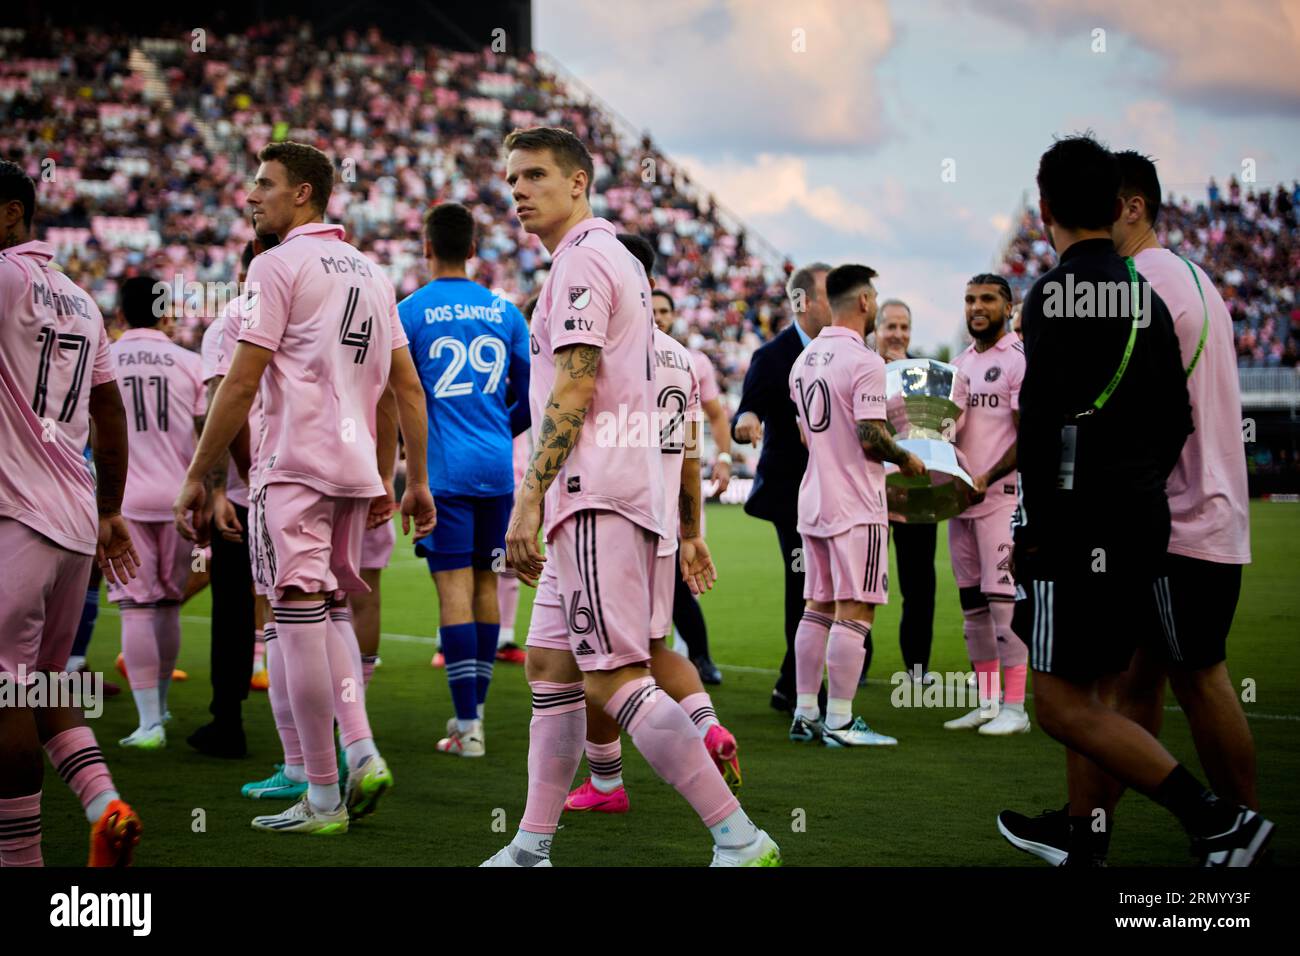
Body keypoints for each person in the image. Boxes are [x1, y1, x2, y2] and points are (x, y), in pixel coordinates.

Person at [484, 126, 777, 866]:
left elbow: (577, 382)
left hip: (594, 495)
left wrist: (529, 498)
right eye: (512, 177)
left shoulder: (582, 260)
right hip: (622, 493)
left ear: (579, 183)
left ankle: (738, 836)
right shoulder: (613, 259)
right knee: (551, 669)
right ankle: (530, 846)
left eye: (535, 175)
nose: (518, 189)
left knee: (615, 675)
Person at [1006, 133, 1270, 867]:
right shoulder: (1185, 280)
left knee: (1127, 687)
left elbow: (1050, 424)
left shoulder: (1120, 283)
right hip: (1179, 510)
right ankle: (1090, 833)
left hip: (1159, 521)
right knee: (1139, 680)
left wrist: (1041, 514)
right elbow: (1173, 413)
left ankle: (1230, 826)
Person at [175, 141, 436, 835]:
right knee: (332, 615)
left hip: (291, 466)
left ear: (303, 194)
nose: (251, 195)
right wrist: (411, 479)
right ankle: (359, 749)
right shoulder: (375, 274)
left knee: (292, 619)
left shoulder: (275, 264)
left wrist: (201, 475)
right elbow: (406, 388)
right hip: (354, 472)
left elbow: (240, 379)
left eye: (263, 183)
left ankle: (324, 795)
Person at [564, 233, 740, 813]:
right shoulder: (680, 358)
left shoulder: (611, 348)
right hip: (660, 523)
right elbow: (688, 453)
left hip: (607, 516)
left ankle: (609, 781)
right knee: (651, 648)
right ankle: (708, 727)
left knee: (598, 661)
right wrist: (691, 532)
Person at [0, 159, 143, 866]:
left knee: (3, 694)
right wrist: (108, 509)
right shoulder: (82, 301)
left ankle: (20, 861)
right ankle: (105, 806)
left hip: (13, 519)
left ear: (8, 214)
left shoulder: (3, 279)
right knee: (48, 683)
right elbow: (109, 410)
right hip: (73, 524)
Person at [397, 201, 530, 758]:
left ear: (427, 249)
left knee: (452, 590)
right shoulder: (506, 313)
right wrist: (502, 427)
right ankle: (475, 721)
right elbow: (530, 396)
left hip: (443, 474)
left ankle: (467, 725)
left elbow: (397, 397)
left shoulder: (407, 311)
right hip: (498, 469)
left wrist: (408, 462)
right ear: (474, 251)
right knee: (485, 586)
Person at [788, 263, 922, 746]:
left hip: (815, 499)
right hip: (856, 505)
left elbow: (808, 435)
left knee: (816, 606)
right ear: (865, 303)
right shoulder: (865, 362)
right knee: (857, 609)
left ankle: (805, 714)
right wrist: (906, 458)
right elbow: (869, 435)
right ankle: (841, 721)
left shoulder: (803, 361)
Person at [106, 275, 207, 749]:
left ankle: (149, 723)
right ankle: (160, 709)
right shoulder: (190, 362)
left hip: (121, 500)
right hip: (179, 498)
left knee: (134, 605)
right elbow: (210, 430)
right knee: (168, 602)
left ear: (121, 314)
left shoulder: (101, 359)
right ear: (165, 312)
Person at [191, 235, 279, 758]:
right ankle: (334, 737)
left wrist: (222, 487)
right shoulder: (320, 307)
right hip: (311, 482)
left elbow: (222, 407)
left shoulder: (232, 318)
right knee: (308, 608)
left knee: (232, 607)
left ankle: (228, 721)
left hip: (252, 491)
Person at [732, 262, 832, 714]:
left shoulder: (847, 350)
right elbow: (746, 412)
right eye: (833, 294)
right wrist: (746, 426)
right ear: (803, 301)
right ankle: (799, 685)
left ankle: (797, 679)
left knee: (825, 584)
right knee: (805, 582)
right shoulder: (771, 357)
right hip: (791, 491)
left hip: (839, 490)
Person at [941, 274, 1030, 735]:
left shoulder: (1018, 360)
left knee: (1003, 603)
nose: (977, 307)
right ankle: (987, 702)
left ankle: (1016, 707)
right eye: (970, 299)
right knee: (972, 606)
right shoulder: (958, 365)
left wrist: (988, 476)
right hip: (962, 502)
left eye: (988, 299)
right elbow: (946, 431)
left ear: (1008, 307)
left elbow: (1029, 434)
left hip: (1002, 500)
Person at [651, 288, 729, 684]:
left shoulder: (690, 361)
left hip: (678, 489)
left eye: (665, 309)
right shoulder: (622, 352)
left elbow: (705, 427)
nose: (659, 315)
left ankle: (695, 658)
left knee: (682, 580)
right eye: (654, 307)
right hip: (640, 493)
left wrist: (727, 457)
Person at [874, 299, 937, 682]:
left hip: (915, 490)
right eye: (891, 326)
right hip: (871, 492)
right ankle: (856, 665)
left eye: (904, 327)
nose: (898, 334)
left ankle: (917, 668)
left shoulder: (926, 374)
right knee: (864, 584)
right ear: (876, 329)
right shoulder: (861, 368)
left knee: (919, 585)